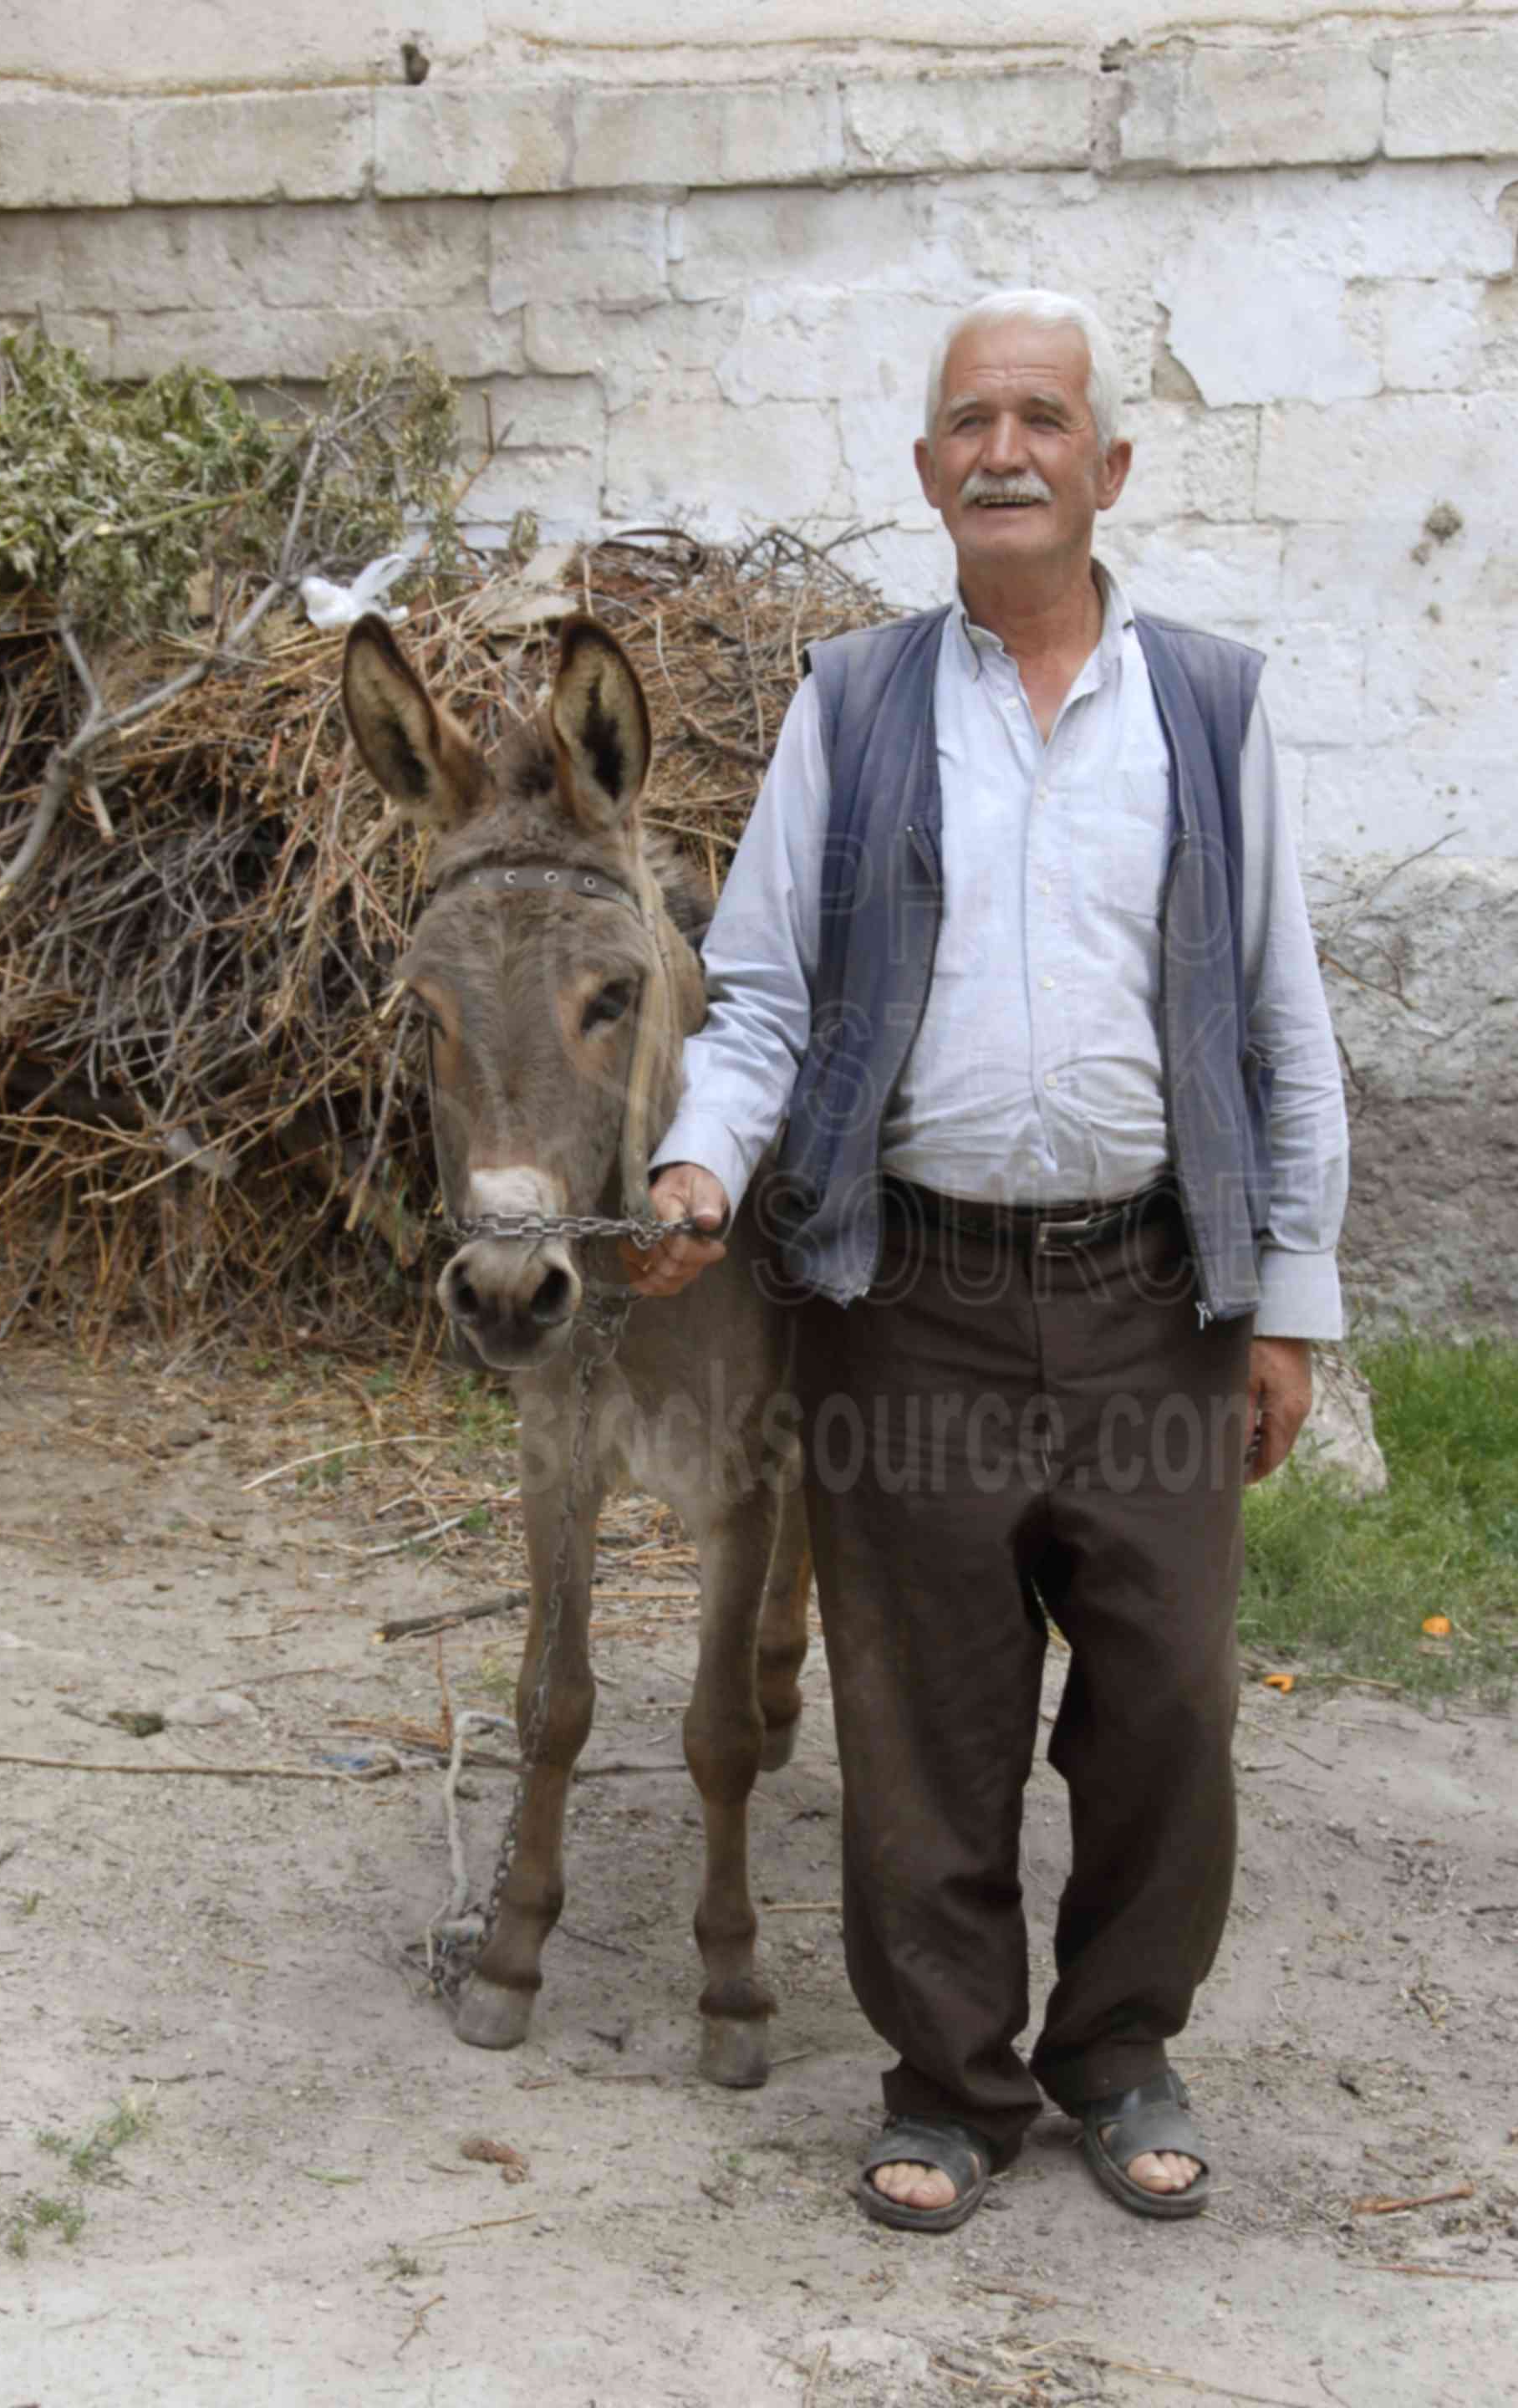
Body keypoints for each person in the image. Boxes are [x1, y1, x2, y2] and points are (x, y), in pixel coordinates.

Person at [624, 290, 1347, 2232]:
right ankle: (947, 2085)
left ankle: (1114, 2053)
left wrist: (1290, 1299)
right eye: (970, 421)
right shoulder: (852, 704)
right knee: (923, 1707)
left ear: (1106, 469)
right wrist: (701, 1176)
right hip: (908, 1301)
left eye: (1042, 418)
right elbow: (763, 994)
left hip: (1149, 1297)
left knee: (1167, 1703)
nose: (1004, 450)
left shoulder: (1208, 702)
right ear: (928, 468)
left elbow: (1279, 1019)